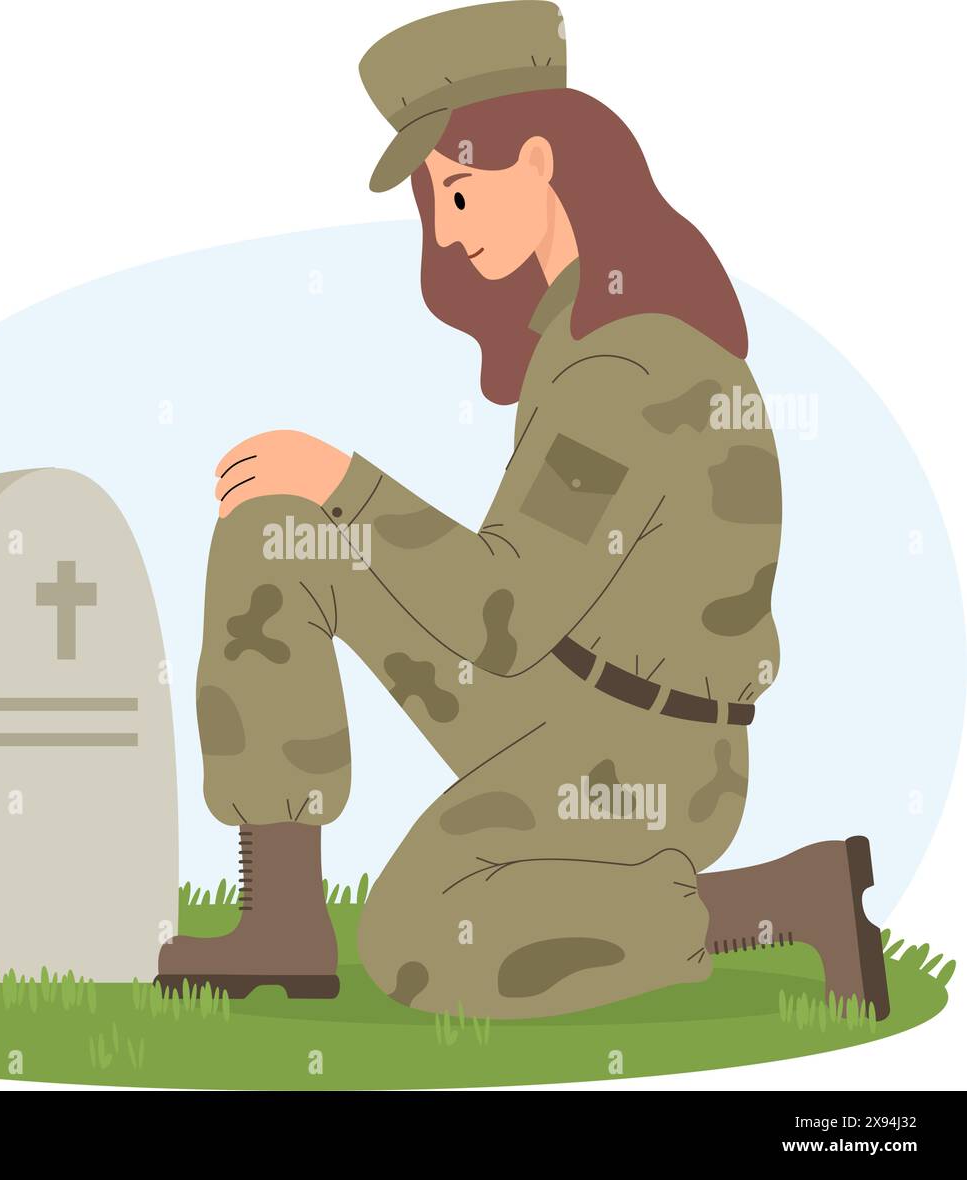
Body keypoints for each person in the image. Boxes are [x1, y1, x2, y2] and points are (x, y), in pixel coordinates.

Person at [157, 0, 890, 1020]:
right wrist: (320, 497)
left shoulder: (632, 365)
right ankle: (281, 915)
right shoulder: (578, 330)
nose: (445, 230)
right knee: (271, 536)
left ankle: (770, 901)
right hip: (566, 691)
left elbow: (499, 614)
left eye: (458, 191)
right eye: (432, 200)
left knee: (420, 943)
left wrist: (345, 480)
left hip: (650, 756)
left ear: (540, 163)